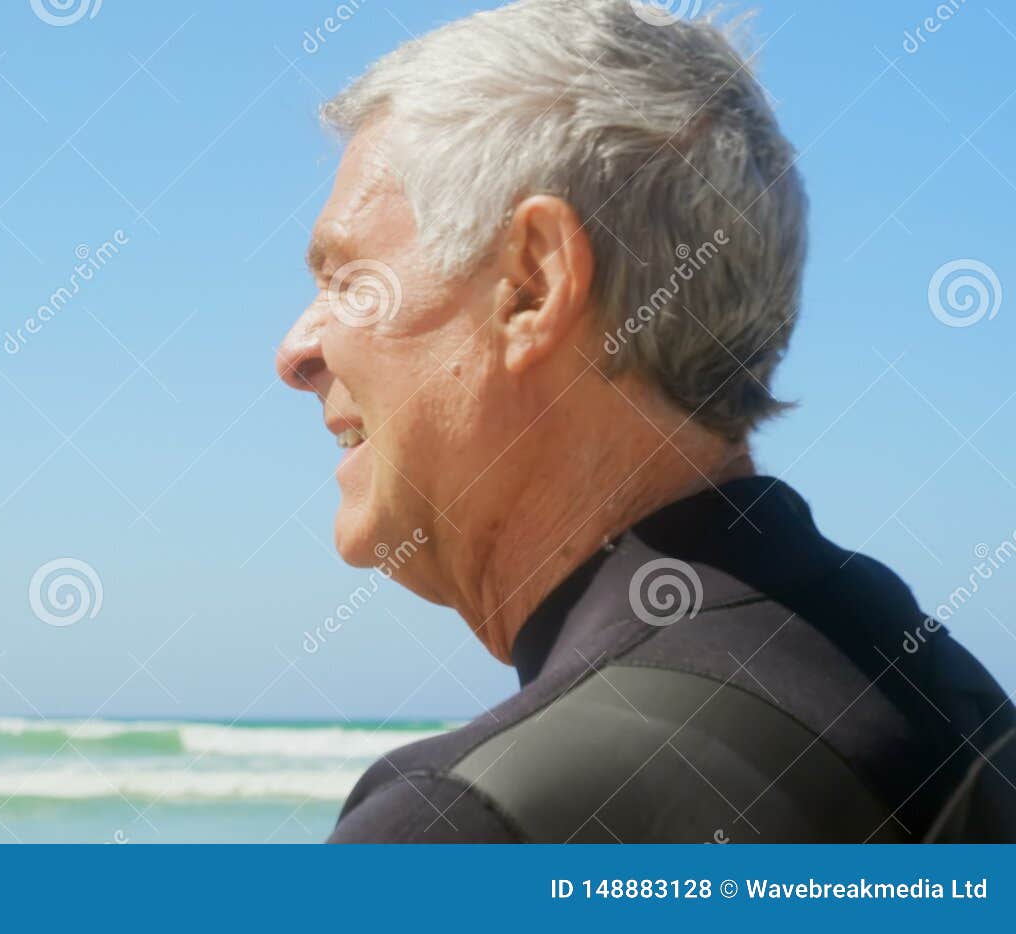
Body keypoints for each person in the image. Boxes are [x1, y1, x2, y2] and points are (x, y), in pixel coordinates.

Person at [274, 0, 1015, 843]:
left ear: (533, 286)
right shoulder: (956, 708)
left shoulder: (471, 826)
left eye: (349, 282)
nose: (296, 351)